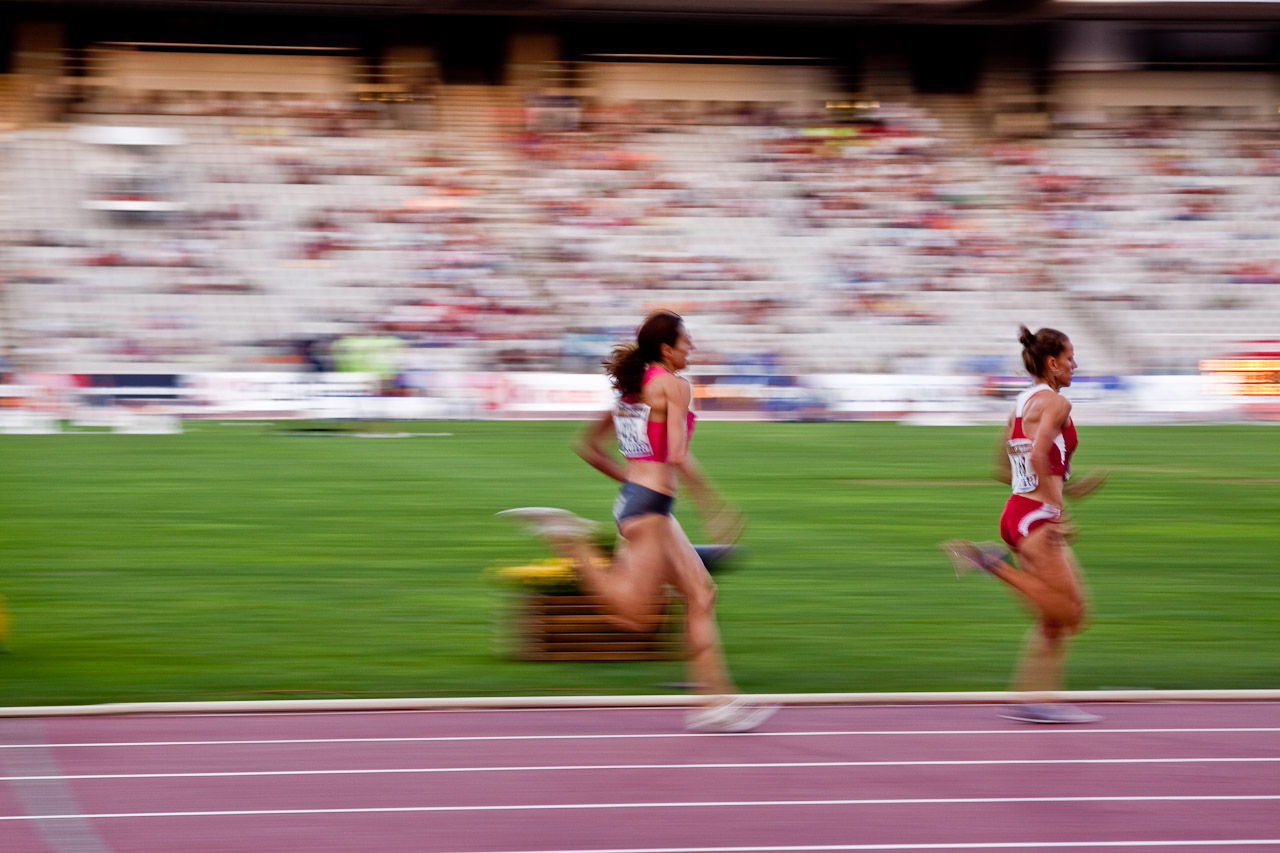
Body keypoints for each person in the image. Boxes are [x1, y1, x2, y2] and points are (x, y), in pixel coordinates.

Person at [500, 310, 775, 733]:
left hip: (641, 504)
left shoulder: (630, 390)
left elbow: (588, 447)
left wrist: (631, 481)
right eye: (686, 341)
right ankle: (570, 541)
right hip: (650, 510)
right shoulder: (674, 386)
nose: (693, 348)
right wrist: (714, 507)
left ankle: (714, 702)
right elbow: (678, 456)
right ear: (666, 349)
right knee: (634, 617)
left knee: (701, 596)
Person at [941, 326, 1108, 724]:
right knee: (1072, 613)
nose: (1075, 365)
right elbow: (1035, 456)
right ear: (1052, 363)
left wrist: (1070, 487)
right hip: (1037, 520)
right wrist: (1058, 511)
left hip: (1019, 512)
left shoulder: (1021, 403)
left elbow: (1005, 467)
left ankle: (1034, 699)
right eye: (1070, 358)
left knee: (1055, 618)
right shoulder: (1055, 403)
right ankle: (990, 561)